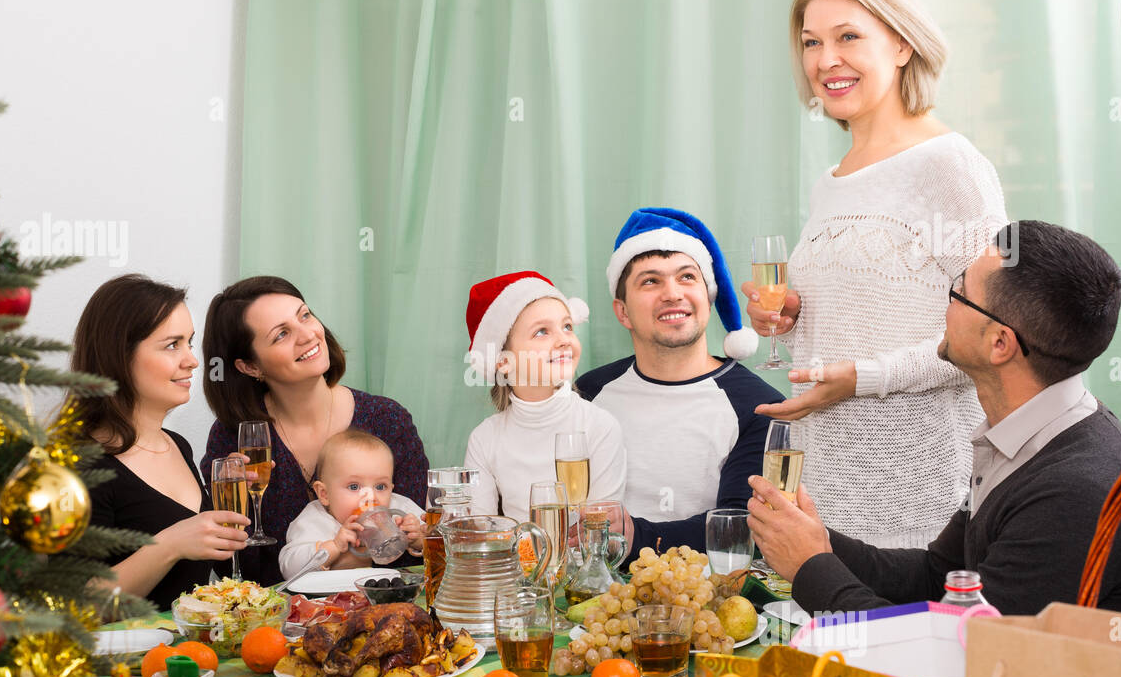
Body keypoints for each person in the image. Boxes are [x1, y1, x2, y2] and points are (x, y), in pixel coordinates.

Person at [747, 221, 1121, 618]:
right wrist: (814, 539)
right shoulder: (1026, 436)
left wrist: (810, 566)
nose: (944, 306)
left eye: (959, 292)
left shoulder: (1075, 491)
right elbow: (937, 576)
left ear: (999, 343)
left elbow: (957, 657)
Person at [741, 0, 1008, 548]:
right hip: (824, 482)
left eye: (848, 37)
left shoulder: (949, 167)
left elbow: (997, 334)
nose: (825, 59)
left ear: (903, 44)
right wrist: (789, 317)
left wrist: (864, 379)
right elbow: (866, 320)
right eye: (811, 43)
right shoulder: (831, 180)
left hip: (913, 493)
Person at [578, 207, 783, 558]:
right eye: (650, 281)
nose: (672, 294)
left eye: (687, 277)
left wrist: (636, 534)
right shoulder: (589, 392)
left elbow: (742, 531)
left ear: (708, 296)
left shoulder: (760, 407)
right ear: (622, 311)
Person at [200, 276, 429, 584]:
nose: (308, 335)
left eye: (305, 315)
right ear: (250, 366)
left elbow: (412, 549)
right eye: (281, 334)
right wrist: (235, 518)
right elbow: (240, 570)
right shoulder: (234, 438)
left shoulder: (388, 420)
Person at [72, 274, 250, 610]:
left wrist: (231, 509)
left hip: (183, 655)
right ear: (118, 356)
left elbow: (217, 564)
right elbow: (80, 605)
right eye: (172, 345)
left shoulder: (178, 445)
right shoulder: (80, 464)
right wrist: (169, 545)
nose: (193, 361)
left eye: (190, 342)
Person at [462, 271, 626, 519]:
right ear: (503, 361)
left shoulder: (600, 426)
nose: (564, 340)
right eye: (542, 332)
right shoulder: (484, 439)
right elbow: (481, 529)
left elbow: (602, 532)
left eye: (567, 326)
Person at [278, 430, 425, 579]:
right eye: (354, 487)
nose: (370, 497)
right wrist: (334, 547)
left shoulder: (399, 508)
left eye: (380, 486)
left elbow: (442, 544)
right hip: (330, 599)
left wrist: (418, 540)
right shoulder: (313, 520)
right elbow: (289, 569)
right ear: (324, 494)